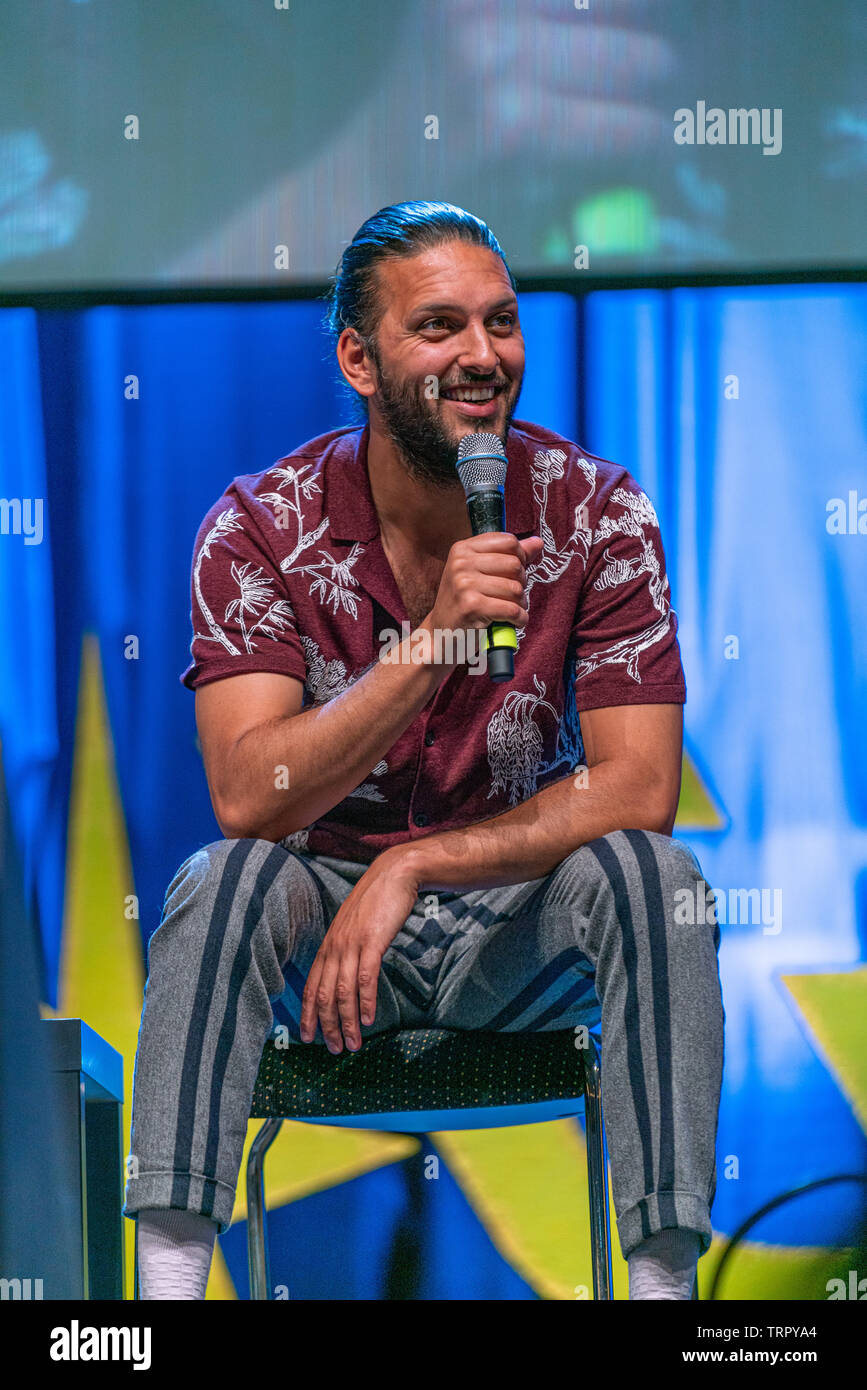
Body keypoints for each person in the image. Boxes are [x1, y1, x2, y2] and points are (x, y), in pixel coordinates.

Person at [122, 200, 724, 1301]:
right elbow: (250, 795)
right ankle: (162, 1303)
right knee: (224, 881)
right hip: (324, 938)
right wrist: (435, 643)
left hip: (516, 925)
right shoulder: (262, 526)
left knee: (658, 878)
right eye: (440, 327)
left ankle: (665, 1300)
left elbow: (640, 788)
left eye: (501, 323)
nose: (482, 356)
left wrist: (416, 864)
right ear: (359, 357)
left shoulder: (597, 513)